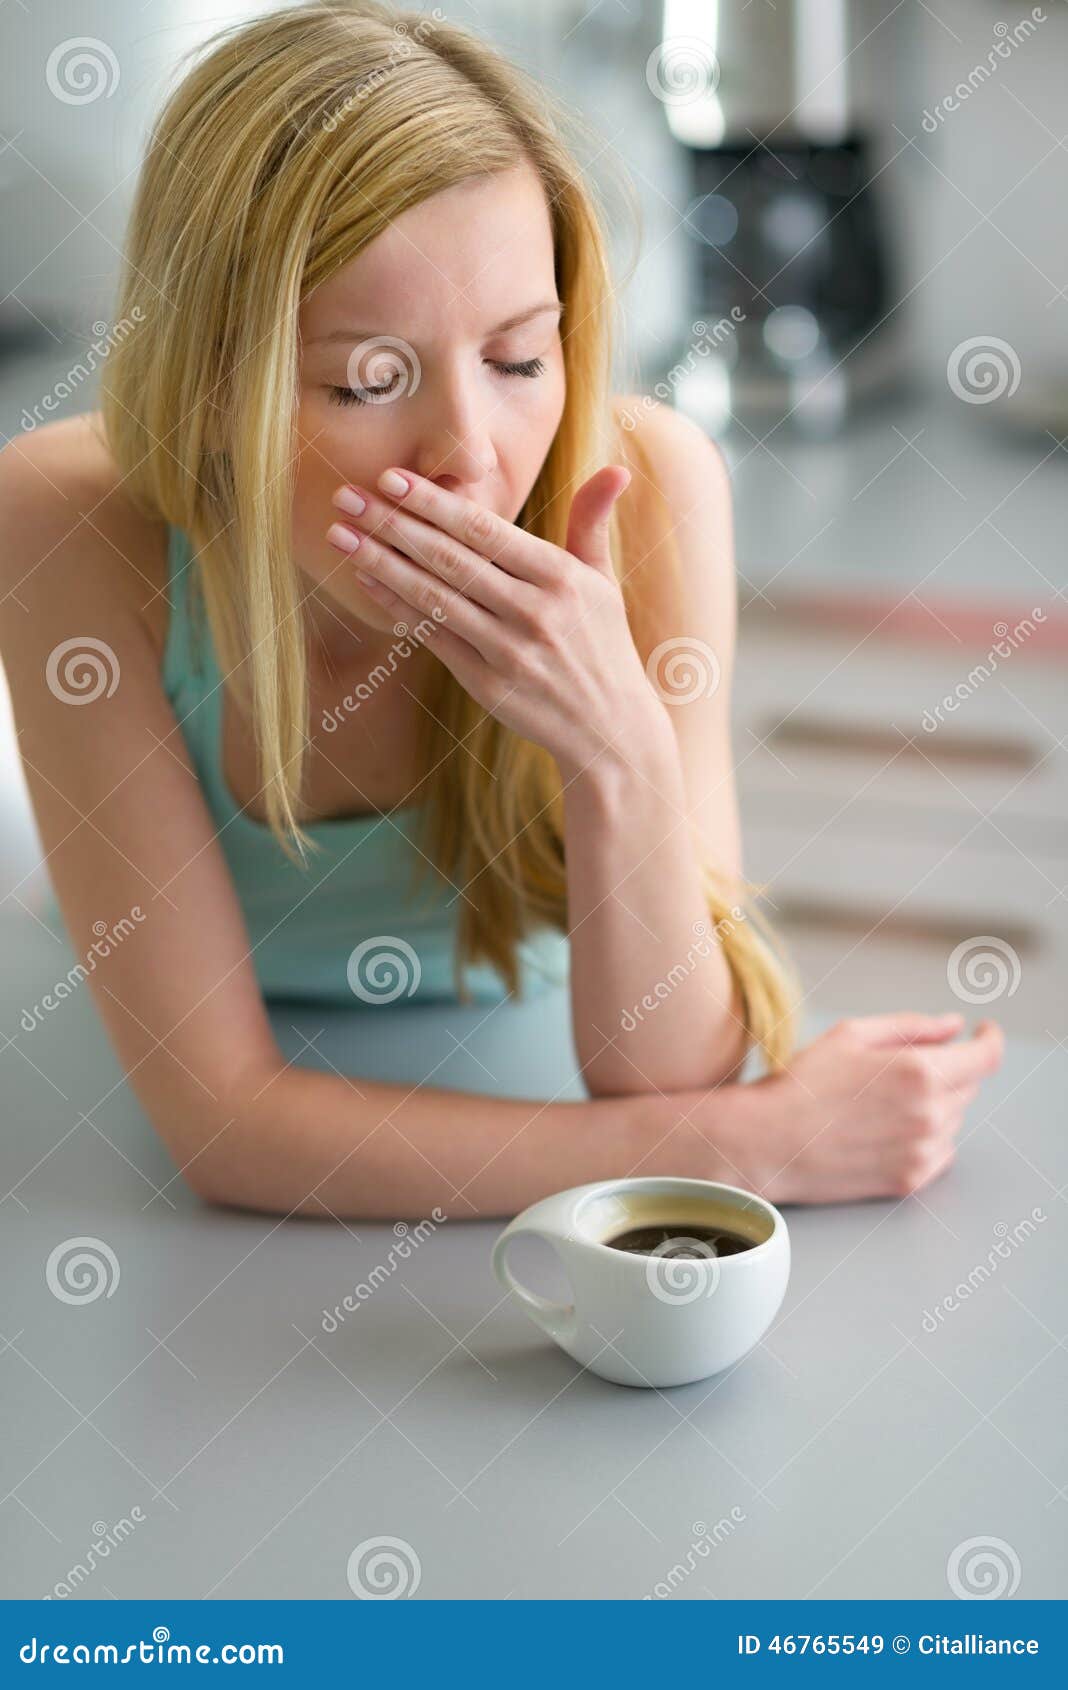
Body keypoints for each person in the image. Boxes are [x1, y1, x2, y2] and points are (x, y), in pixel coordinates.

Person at [0, 1, 1003, 1220]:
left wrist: (619, 750)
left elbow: (669, 1077)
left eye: (521, 361)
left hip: (517, 1063)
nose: (471, 455)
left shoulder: (647, 492)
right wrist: (753, 1149)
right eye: (369, 379)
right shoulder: (66, 519)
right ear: (214, 388)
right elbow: (223, 1125)